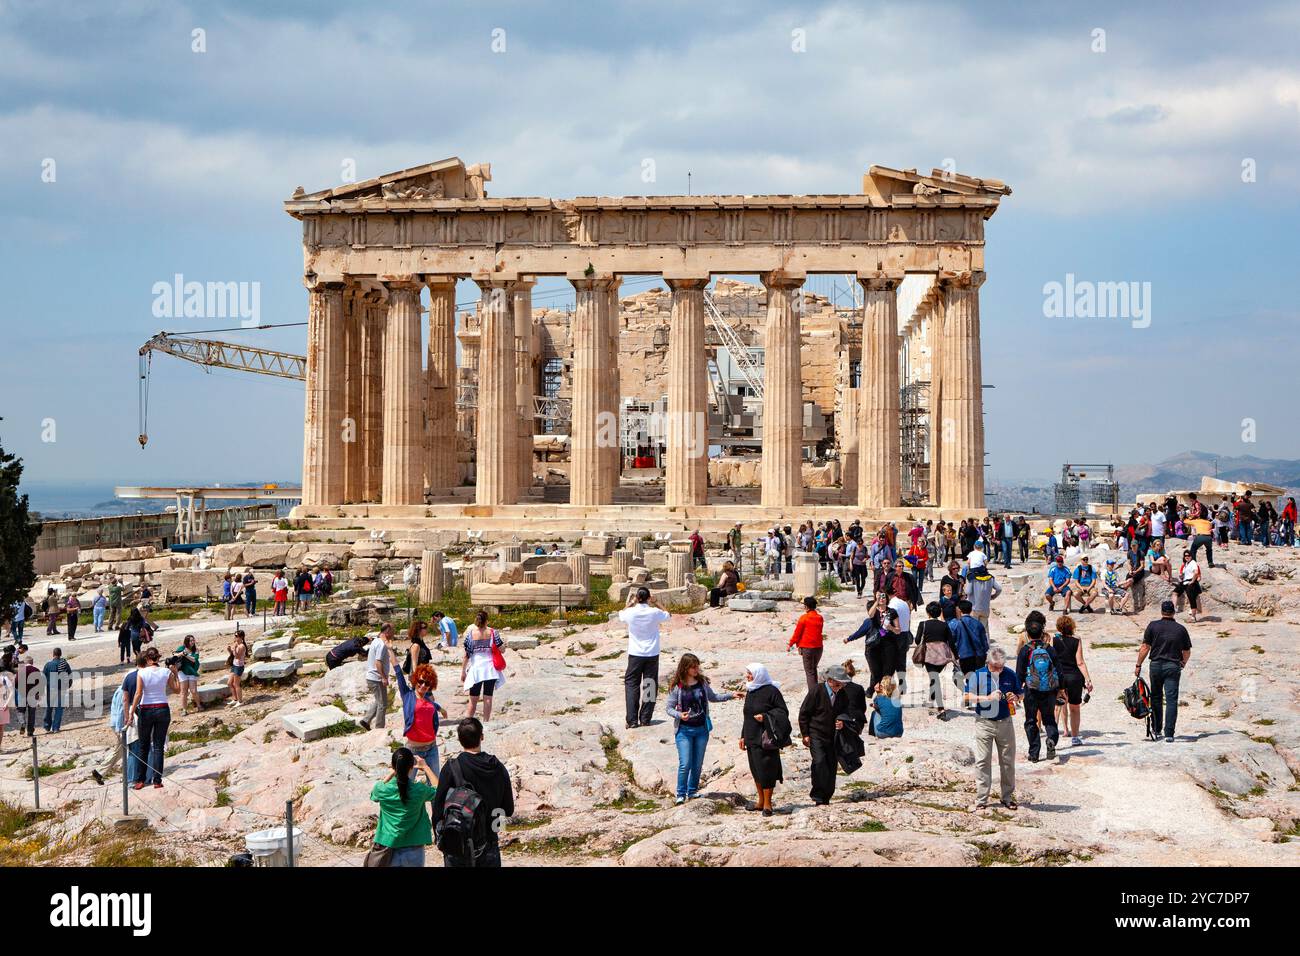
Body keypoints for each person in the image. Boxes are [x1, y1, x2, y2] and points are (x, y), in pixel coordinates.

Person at [432, 718, 514, 867]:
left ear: (459, 739)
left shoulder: (452, 768)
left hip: (458, 843)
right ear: (481, 736)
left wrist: (441, 838)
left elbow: (437, 809)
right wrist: (493, 832)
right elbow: (508, 809)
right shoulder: (498, 767)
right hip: (489, 843)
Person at [665, 653, 739, 804]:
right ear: (685, 668)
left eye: (697, 665)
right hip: (684, 731)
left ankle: (692, 792)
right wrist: (679, 715)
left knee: (697, 764)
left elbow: (713, 697)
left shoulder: (702, 683)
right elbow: (669, 708)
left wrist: (731, 695)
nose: (696, 669)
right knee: (685, 763)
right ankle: (681, 793)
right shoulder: (677, 686)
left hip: (701, 730)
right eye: (693, 666)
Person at [964, 645, 1020, 811]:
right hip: (984, 722)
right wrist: (987, 697)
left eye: (1001, 667)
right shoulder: (978, 674)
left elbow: (1020, 693)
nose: (998, 670)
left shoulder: (1009, 673)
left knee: (1008, 761)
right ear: (988, 663)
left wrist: (1016, 696)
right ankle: (981, 799)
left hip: (1005, 721)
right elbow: (967, 696)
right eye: (995, 667)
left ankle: (1007, 797)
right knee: (983, 760)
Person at [370, 747, 439, 867]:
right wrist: (425, 767)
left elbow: (374, 795)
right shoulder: (419, 790)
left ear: (393, 766)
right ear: (412, 767)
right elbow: (438, 789)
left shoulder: (381, 789)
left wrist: (393, 771)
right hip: (415, 848)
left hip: (388, 848)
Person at [799, 663, 855, 806]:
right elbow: (804, 713)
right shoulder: (816, 691)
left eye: (841, 684)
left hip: (833, 736)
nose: (840, 687)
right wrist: (805, 734)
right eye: (837, 684)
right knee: (819, 762)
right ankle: (817, 795)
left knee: (831, 764)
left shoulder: (842, 693)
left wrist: (843, 722)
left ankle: (827, 796)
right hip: (816, 733)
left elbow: (847, 712)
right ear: (829, 680)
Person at [1136, 600, 1192, 742]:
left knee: (1156, 697)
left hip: (1155, 665)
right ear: (1173, 612)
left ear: (1161, 611)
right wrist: (1182, 664)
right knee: (1172, 700)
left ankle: (1156, 728)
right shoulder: (1180, 629)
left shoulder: (1153, 626)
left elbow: (1145, 647)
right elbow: (1186, 651)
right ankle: (1169, 734)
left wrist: (1138, 665)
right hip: (1173, 666)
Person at [126, 646, 180, 789]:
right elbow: (177, 690)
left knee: (143, 746)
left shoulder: (142, 672)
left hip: (146, 709)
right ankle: (157, 780)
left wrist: (131, 712)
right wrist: (176, 674)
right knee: (158, 746)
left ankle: (140, 780)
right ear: (158, 658)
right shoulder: (166, 671)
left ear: (148, 659)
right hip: (162, 708)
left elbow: (138, 693)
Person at [739, 663, 788, 817]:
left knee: (767, 771)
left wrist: (765, 717)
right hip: (751, 737)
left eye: (750, 673)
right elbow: (747, 715)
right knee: (756, 771)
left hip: (765, 738)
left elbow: (782, 712)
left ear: (759, 674)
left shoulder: (772, 691)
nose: (747, 676)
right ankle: (760, 801)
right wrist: (742, 735)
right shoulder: (751, 690)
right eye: (747, 673)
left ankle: (768, 804)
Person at [618, 587, 670, 729]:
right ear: (648, 598)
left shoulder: (630, 612)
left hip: (635, 653)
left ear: (637, 598)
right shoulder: (654, 612)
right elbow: (667, 614)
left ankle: (632, 720)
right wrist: (656, 602)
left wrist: (631, 603)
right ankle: (646, 718)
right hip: (652, 653)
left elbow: (621, 614)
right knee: (650, 684)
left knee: (631, 685)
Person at [1015, 610, 1060, 763]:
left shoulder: (1025, 650)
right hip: (1049, 690)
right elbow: (1059, 671)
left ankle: (1034, 753)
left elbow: (1019, 673)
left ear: (1027, 631)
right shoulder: (1049, 649)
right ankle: (1052, 739)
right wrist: (1061, 690)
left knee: (1030, 720)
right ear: (1043, 631)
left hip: (1031, 690)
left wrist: (1017, 692)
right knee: (1049, 719)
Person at [91, 662, 142, 787]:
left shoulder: (120, 689)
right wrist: (122, 728)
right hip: (120, 725)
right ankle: (122, 775)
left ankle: (102, 772)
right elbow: (120, 710)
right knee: (127, 750)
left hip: (116, 724)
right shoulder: (123, 692)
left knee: (121, 751)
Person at [394, 662, 447, 775]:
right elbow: (399, 674)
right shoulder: (407, 695)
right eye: (421, 681)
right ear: (415, 680)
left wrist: (441, 709)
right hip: (413, 750)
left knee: (435, 784)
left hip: (432, 748)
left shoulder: (429, 700)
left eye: (427, 683)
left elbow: (433, 705)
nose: (423, 685)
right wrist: (390, 650)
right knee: (407, 783)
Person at [1051, 615, 1093, 746]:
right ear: (1072, 627)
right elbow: (1080, 662)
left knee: (1057, 707)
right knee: (1074, 708)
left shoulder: (1054, 640)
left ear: (1059, 627)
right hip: (1075, 678)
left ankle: (1052, 738)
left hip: (1059, 677)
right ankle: (1075, 737)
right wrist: (1088, 679)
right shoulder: (1077, 640)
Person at [845, 592, 898, 691]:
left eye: (883, 597)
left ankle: (877, 692)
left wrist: (891, 628)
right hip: (874, 647)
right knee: (876, 672)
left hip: (887, 647)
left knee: (884, 672)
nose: (882, 599)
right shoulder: (872, 618)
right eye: (879, 598)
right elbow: (869, 616)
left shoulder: (892, 612)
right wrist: (876, 602)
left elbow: (898, 629)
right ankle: (874, 691)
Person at [461, 611, 506, 722]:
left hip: (476, 668)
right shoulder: (493, 632)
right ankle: (486, 722)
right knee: (488, 697)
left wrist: (463, 671)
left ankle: (468, 722)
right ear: (487, 620)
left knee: (473, 699)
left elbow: (467, 655)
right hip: (490, 668)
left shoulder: (470, 634)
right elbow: (502, 649)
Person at [915, 601, 957, 718]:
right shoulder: (944, 625)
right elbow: (951, 642)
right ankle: (933, 696)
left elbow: (917, 641)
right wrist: (956, 657)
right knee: (934, 677)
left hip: (929, 656)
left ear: (928, 613)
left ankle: (941, 709)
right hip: (942, 657)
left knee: (935, 679)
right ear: (939, 613)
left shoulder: (923, 624)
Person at [786, 596, 825, 695]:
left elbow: (797, 633)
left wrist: (790, 644)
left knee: (809, 672)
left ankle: (813, 695)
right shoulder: (820, 618)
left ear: (806, 607)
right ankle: (816, 691)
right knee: (814, 669)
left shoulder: (804, 618)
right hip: (819, 647)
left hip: (808, 648)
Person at [948, 599, 989, 684]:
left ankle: (967, 693)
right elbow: (985, 643)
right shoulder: (978, 624)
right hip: (978, 656)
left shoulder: (954, 624)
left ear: (959, 609)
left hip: (963, 656)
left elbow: (951, 642)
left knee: (961, 678)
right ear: (971, 610)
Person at [361, 623, 393, 731]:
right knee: (383, 704)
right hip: (376, 678)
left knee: (379, 700)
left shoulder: (375, 640)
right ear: (387, 631)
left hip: (372, 677)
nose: (394, 633)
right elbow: (378, 662)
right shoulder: (381, 644)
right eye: (393, 630)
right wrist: (383, 677)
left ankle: (366, 720)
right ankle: (379, 728)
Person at [965, 552, 1002, 629]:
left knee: (974, 630)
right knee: (984, 630)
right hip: (985, 608)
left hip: (974, 608)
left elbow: (968, 592)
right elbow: (999, 589)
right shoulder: (990, 577)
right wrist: (993, 597)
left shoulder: (972, 578)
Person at [41, 648, 73, 733]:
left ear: (53, 654)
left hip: (50, 689)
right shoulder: (65, 664)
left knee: (49, 708)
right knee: (59, 708)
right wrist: (68, 685)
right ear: (60, 654)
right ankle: (56, 728)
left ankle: (47, 726)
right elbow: (70, 675)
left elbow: (43, 677)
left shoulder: (48, 664)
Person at [868, 674, 903, 738]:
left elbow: (876, 704)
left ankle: (872, 734)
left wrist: (878, 692)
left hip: (883, 733)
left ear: (883, 687)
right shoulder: (897, 699)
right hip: (899, 733)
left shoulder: (880, 697)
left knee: (874, 713)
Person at [174, 634, 202, 714]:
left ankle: (199, 706)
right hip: (182, 671)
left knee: (193, 690)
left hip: (192, 671)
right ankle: (184, 710)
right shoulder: (181, 648)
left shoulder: (196, 650)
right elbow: (174, 655)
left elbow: (194, 660)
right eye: (191, 640)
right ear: (187, 641)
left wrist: (185, 654)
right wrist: (181, 653)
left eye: (193, 640)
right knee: (184, 692)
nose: (192, 642)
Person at [1174, 550, 1203, 623]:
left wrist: (1193, 581)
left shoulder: (1193, 562)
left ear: (1191, 556)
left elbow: (1196, 572)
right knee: (1175, 592)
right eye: (1185, 555)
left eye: (1188, 555)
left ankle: (1193, 617)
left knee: (1192, 599)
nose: (1187, 557)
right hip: (1185, 582)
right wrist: (1181, 576)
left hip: (1190, 582)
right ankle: (1174, 608)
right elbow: (1185, 574)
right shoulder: (1186, 564)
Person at [227, 630, 248, 707]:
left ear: (241, 637)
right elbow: (233, 655)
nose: (235, 637)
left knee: (236, 684)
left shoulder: (242, 646)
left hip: (239, 666)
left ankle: (240, 701)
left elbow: (238, 657)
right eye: (235, 636)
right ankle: (235, 699)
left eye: (237, 636)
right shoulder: (236, 644)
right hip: (234, 665)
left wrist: (234, 649)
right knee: (229, 683)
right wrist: (230, 650)